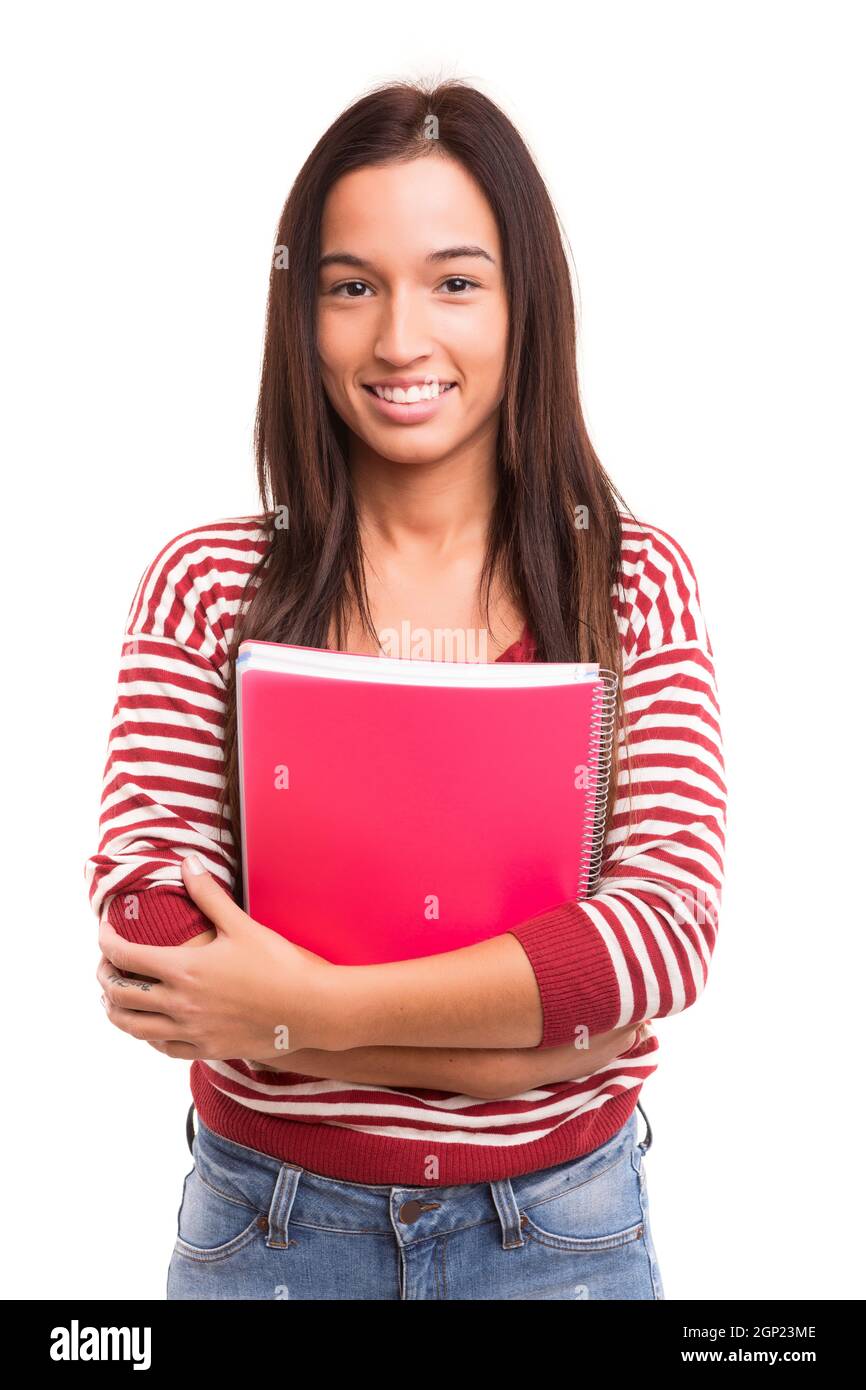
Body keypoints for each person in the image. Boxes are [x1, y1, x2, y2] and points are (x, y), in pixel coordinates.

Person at [85, 79, 726, 1301]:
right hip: (268, 1229)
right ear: (303, 311)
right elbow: (151, 939)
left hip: (559, 1234)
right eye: (350, 285)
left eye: (453, 281)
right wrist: (534, 1041)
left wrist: (298, 1010)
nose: (397, 340)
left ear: (522, 304)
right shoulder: (210, 584)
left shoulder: (626, 582)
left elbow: (660, 939)